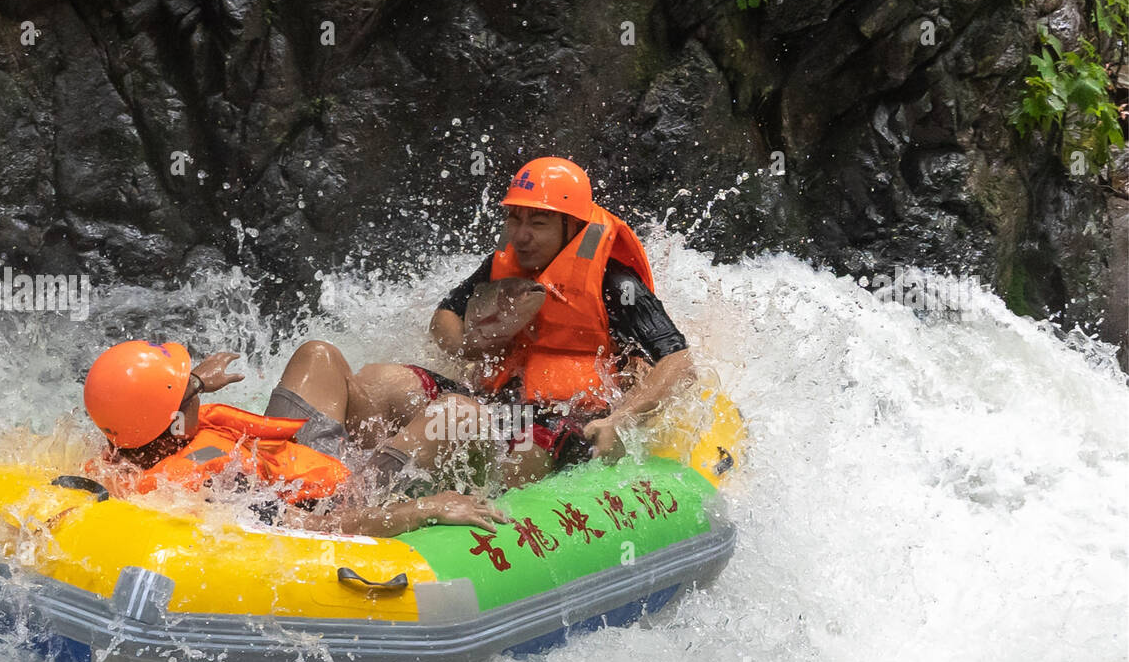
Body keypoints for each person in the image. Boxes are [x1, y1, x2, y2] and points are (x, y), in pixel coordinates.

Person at [366, 157, 702, 487]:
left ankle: (401, 498)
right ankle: (344, 482)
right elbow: (445, 314)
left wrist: (621, 419)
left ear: (573, 227)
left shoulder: (615, 284)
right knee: (382, 381)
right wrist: (466, 346)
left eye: (539, 223)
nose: (521, 236)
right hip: (495, 404)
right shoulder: (504, 263)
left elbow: (680, 360)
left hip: (569, 420)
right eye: (514, 219)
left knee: (518, 450)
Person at [81, 338, 507, 537]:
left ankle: (400, 442)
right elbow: (323, 528)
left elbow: (155, 405)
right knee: (457, 415)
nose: (199, 384)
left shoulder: (134, 438)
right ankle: (493, 481)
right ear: (173, 414)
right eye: (189, 387)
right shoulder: (213, 486)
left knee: (316, 355)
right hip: (345, 499)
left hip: (293, 464)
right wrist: (424, 508)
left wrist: (194, 383)